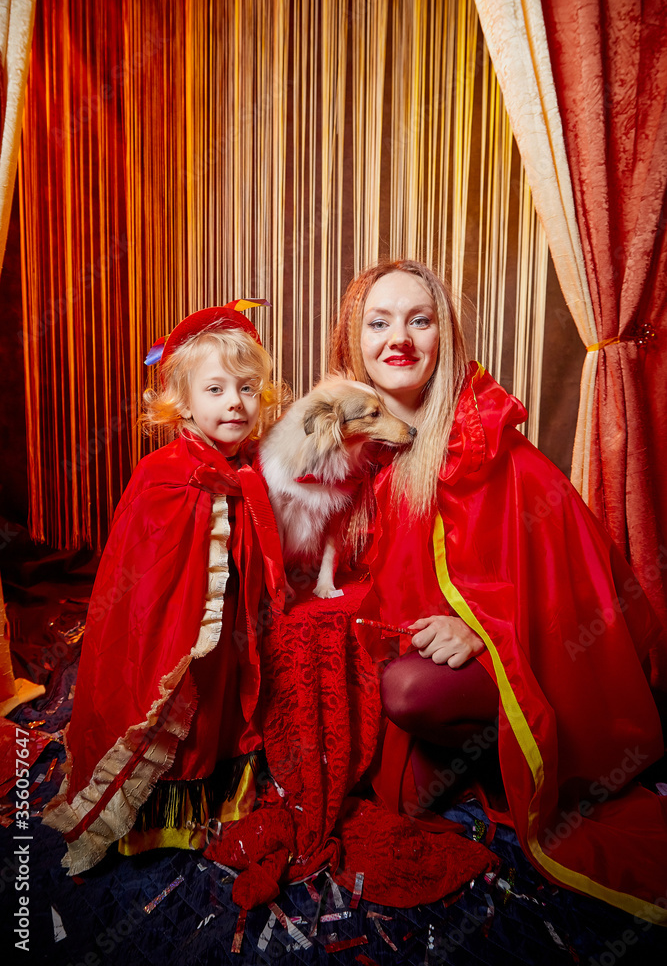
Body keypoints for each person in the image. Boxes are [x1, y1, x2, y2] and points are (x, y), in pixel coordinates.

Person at [329, 259, 667, 925]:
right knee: (390, 776)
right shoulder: (345, 440)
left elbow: (573, 585)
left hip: (517, 661)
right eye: (379, 321)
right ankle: (469, 758)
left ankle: (519, 755)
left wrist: (484, 627)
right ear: (355, 339)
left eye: (418, 320)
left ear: (442, 336)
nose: (398, 337)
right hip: (402, 643)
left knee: (408, 693)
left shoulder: (484, 444)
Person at [43, 302, 284, 875]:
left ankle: (210, 803)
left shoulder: (252, 468)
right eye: (216, 388)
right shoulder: (163, 473)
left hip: (229, 630)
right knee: (179, 711)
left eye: (247, 388)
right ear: (183, 399)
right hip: (170, 634)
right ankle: (152, 814)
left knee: (219, 712)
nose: (234, 402)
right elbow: (142, 577)